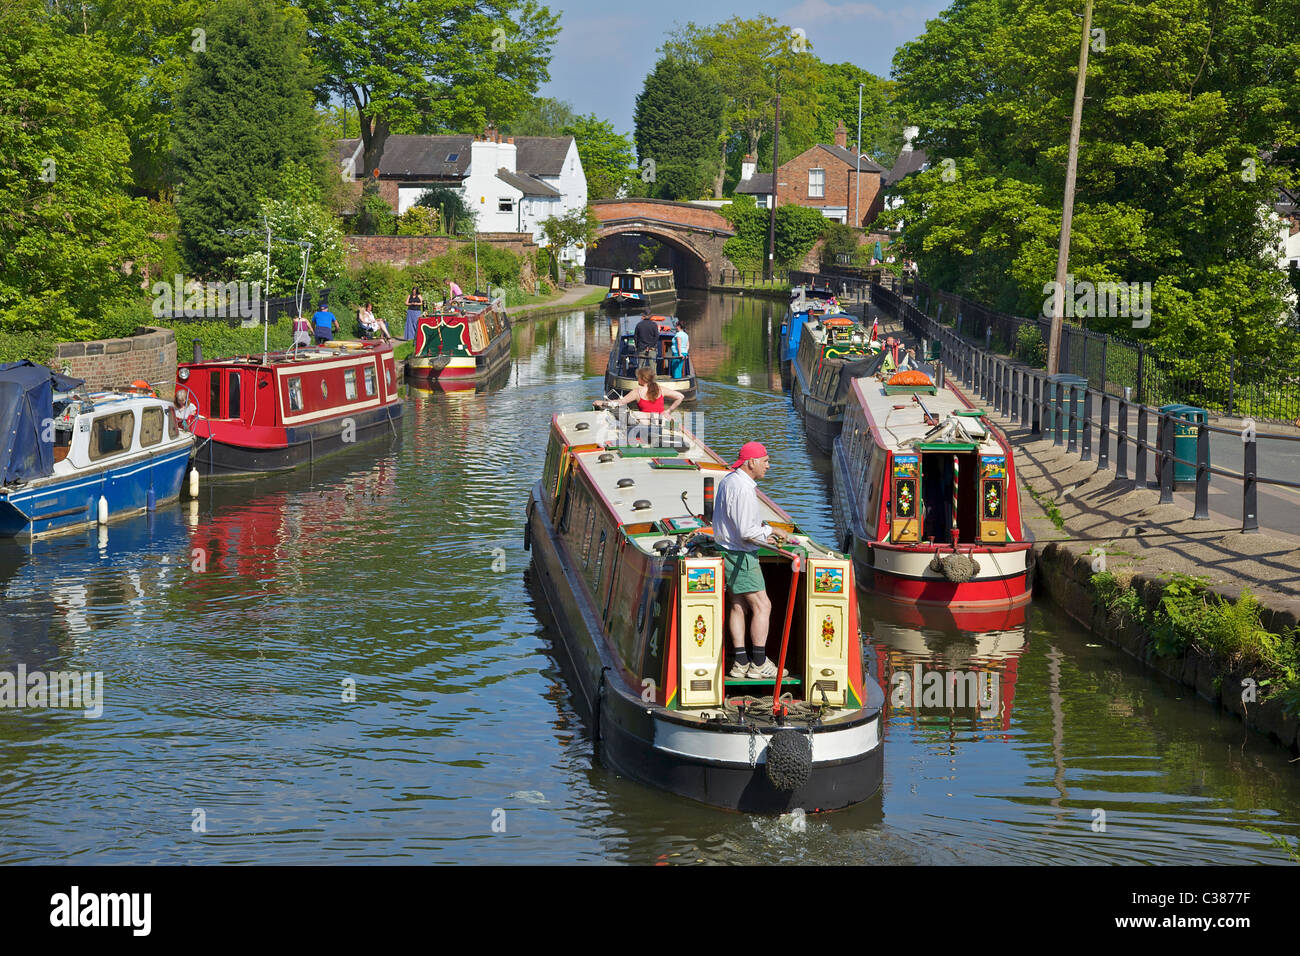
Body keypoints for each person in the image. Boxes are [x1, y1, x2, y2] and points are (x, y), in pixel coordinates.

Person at [713, 442, 795, 679]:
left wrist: (769, 528)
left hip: (726, 552)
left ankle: (740, 662)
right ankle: (759, 662)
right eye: (766, 461)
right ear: (751, 462)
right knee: (762, 605)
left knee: (738, 605)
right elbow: (747, 532)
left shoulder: (729, 481)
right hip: (741, 554)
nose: (768, 466)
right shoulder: (744, 489)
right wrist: (770, 532)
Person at [597, 366, 683, 416]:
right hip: (660, 420)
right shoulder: (661, 389)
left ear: (642, 378)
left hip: (645, 423)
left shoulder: (637, 392)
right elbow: (680, 396)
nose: (637, 378)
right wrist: (669, 411)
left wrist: (602, 403)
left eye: (638, 376)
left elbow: (620, 403)